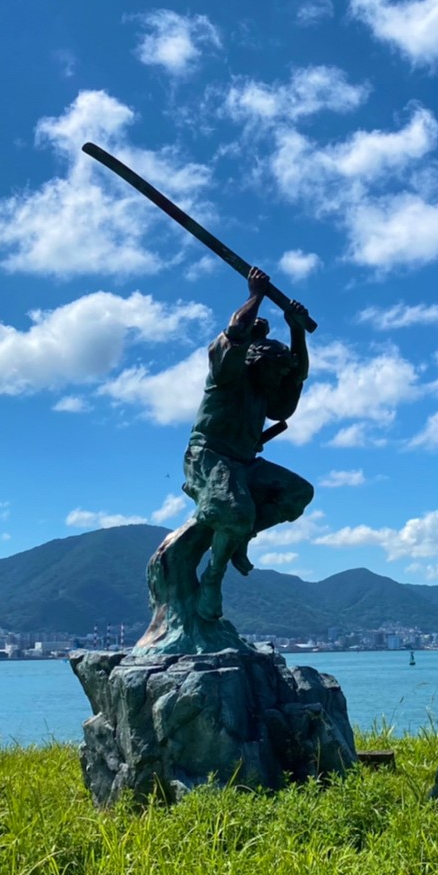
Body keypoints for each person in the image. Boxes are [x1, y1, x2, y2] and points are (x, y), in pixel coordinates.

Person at [179, 266, 315, 621]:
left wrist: (296, 330)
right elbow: (236, 332)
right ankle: (213, 578)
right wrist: (255, 293)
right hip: (208, 455)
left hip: (243, 462)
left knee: (298, 493)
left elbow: (296, 378)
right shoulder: (228, 374)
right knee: (237, 513)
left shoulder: (266, 393)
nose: (281, 378)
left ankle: (240, 537)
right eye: (277, 370)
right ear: (257, 362)